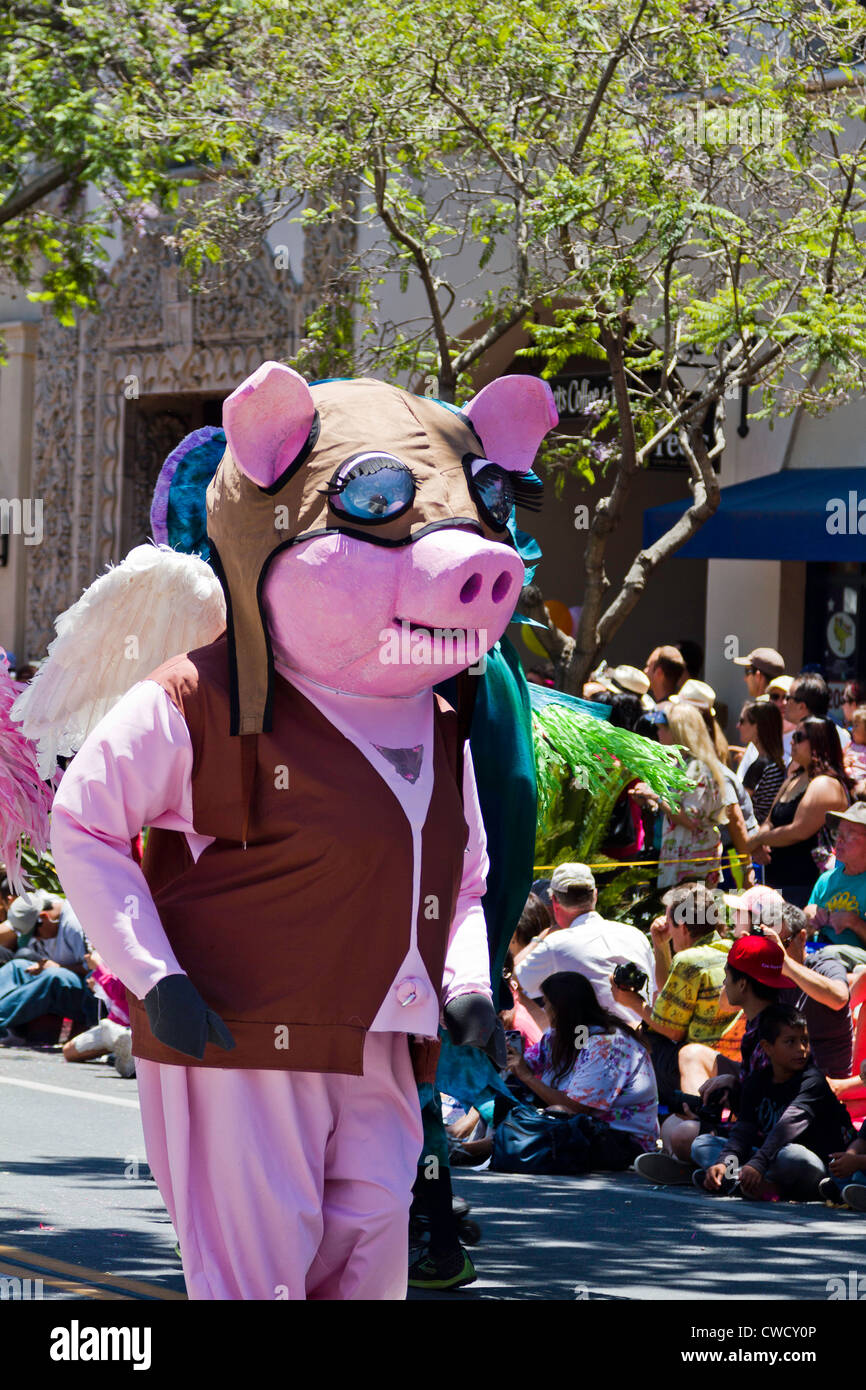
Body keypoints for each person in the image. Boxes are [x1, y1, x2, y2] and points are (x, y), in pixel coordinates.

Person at [634, 933, 785, 1180]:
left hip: (762, 1135)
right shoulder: (765, 1019)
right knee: (673, 1124)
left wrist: (735, 1089)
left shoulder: (771, 1032)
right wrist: (731, 1084)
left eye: (727, 977)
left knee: (683, 1134)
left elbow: (768, 1105)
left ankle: (719, 1169)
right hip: (755, 1122)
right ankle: (694, 1158)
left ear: (743, 984)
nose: (723, 985)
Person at [496, 972, 659, 1168]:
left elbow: (575, 1108)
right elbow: (527, 1065)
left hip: (621, 1140)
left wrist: (528, 1076)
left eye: (546, 1003)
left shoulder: (608, 1045)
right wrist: (508, 1057)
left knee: (557, 1113)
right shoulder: (575, 1034)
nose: (543, 1008)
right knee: (510, 1089)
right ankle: (483, 1144)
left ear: (560, 1009)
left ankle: (483, 1148)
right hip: (584, 1129)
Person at [696, 1005, 855, 1201]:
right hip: (766, 1158)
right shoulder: (756, 1082)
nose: (802, 1049)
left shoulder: (812, 1081)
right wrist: (724, 1163)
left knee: (793, 1156)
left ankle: (741, 1182)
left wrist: (757, 1164)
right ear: (767, 1047)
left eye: (805, 1041)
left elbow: (786, 1128)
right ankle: (731, 1178)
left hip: (812, 1163)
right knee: (702, 1144)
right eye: (790, 1042)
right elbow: (743, 1131)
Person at [609, 881, 743, 1109]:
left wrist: (633, 1003)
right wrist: (660, 946)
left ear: (682, 925)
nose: (666, 928)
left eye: (669, 921)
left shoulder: (689, 961)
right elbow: (667, 994)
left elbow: (672, 1029)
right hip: (728, 1061)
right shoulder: (730, 948)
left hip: (696, 1063)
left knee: (635, 1035)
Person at [513, 863, 655, 1028]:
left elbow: (512, 980)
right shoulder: (636, 935)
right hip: (640, 1042)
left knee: (515, 994)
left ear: (554, 901)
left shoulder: (555, 944)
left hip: (588, 1047)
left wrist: (541, 938)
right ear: (595, 895)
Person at [747, 716, 850, 907]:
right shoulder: (794, 778)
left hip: (807, 887)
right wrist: (757, 846)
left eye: (799, 736)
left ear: (818, 742)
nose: (792, 741)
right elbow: (770, 821)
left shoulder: (825, 783)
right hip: (777, 882)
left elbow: (798, 831)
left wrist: (758, 840)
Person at [756, 902, 852, 1079]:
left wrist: (786, 965)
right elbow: (727, 1004)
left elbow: (839, 998)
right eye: (769, 945)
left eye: (782, 943)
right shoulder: (766, 974)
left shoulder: (825, 965)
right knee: (693, 1054)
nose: (775, 952)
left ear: (801, 938)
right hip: (774, 1076)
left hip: (820, 1082)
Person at [0, 892, 98, 1043]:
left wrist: (58, 966)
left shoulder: (75, 924)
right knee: (17, 966)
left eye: (35, 934)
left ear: (44, 917)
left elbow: (95, 969)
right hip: (63, 973)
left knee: (52, 977)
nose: (35, 939)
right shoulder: (38, 907)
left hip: (90, 993)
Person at [653, 701, 729, 889]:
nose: (658, 732)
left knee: (693, 917)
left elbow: (690, 819)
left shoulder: (699, 769)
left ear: (679, 732)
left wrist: (656, 797)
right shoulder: (683, 764)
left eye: (664, 727)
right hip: (681, 862)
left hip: (693, 868)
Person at [806, 802, 866, 954]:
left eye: (850, 834)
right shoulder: (826, 880)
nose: (839, 840)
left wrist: (854, 923)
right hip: (818, 953)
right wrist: (808, 917)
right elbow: (805, 932)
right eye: (837, 833)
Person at [736, 700, 786, 823]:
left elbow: (738, 806)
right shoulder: (776, 763)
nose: (738, 726)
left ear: (757, 727)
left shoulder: (760, 765)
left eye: (743, 721)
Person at [785, 672, 851, 751]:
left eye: (788, 698)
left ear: (801, 706)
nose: (785, 703)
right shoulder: (788, 735)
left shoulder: (836, 740)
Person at [844, 706, 866, 781]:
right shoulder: (850, 745)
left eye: (856, 726)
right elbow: (840, 759)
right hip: (847, 781)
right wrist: (844, 761)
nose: (852, 730)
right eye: (852, 725)